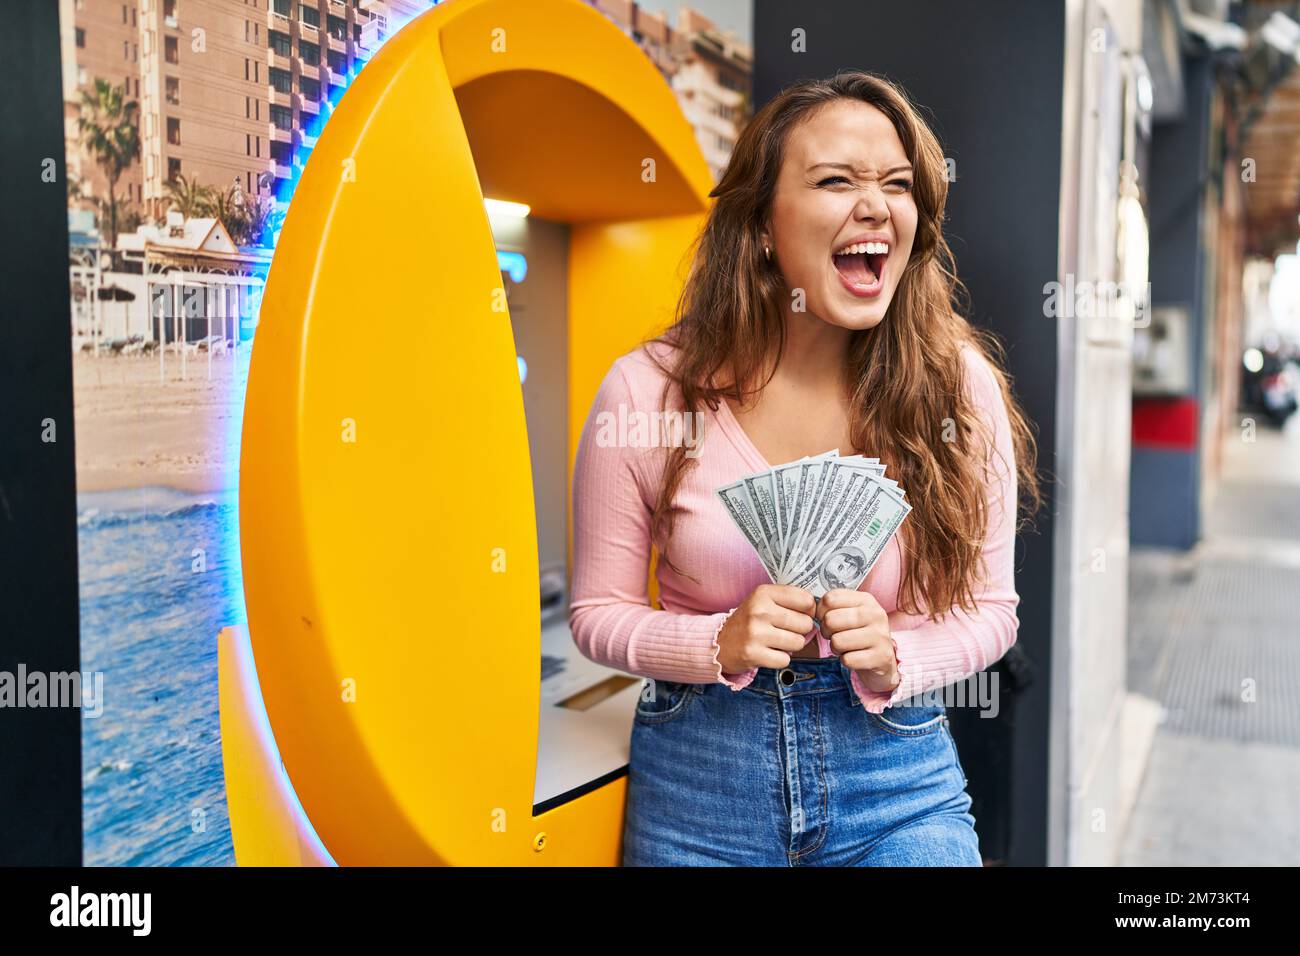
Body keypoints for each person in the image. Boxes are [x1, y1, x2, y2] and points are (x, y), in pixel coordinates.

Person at [568, 70, 1042, 867]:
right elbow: (597, 612)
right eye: (835, 181)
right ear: (760, 225)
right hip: (699, 786)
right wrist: (715, 642)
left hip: (894, 782)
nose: (876, 206)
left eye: (897, 185)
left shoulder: (956, 387)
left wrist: (901, 656)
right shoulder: (647, 389)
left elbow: (993, 611)